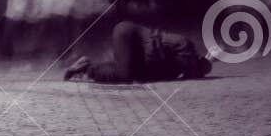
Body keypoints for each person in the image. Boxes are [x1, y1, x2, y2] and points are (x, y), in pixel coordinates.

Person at [63, 20, 212, 84]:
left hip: (133, 42)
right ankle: (87, 69)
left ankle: (85, 68)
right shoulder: (187, 48)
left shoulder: (176, 66)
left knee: (126, 72)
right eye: (201, 70)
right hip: (128, 34)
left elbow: (154, 72)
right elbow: (190, 75)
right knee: (126, 75)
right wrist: (209, 61)